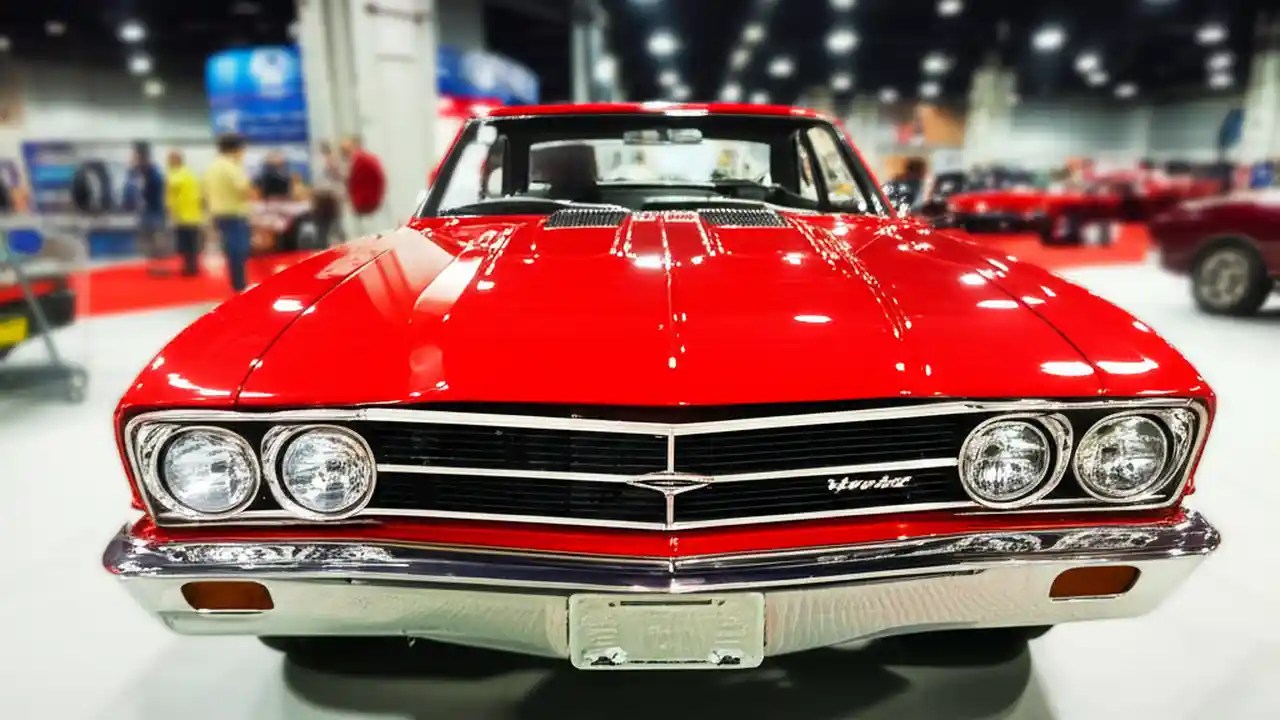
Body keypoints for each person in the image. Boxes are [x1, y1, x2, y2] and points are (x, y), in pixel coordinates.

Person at [204, 134, 253, 292]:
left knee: (231, 249)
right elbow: (244, 190)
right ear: (235, 149)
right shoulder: (232, 166)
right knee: (239, 250)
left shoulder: (213, 166)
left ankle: (236, 283)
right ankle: (240, 285)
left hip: (219, 213)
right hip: (235, 213)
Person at [128, 143, 168, 274]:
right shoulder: (136, 173)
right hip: (146, 211)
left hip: (154, 211)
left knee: (157, 240)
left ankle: (160, 267)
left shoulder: (153, 173)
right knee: (148, 241)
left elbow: (156, 190)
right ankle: (153, 266)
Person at [165, 150, 204, 277]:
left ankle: (189, 268)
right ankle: (193, 267)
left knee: (186, 244)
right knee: (193, 244)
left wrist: (170, 209)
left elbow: (171, 196)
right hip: (194, 215)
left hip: (183, 215)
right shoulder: (190, 174)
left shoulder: (175, 175)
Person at [340, 136, 386, 234]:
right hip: (369, 202)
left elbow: (352, 181)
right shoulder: (367, 159)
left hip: (365, 203)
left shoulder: (360, 160)